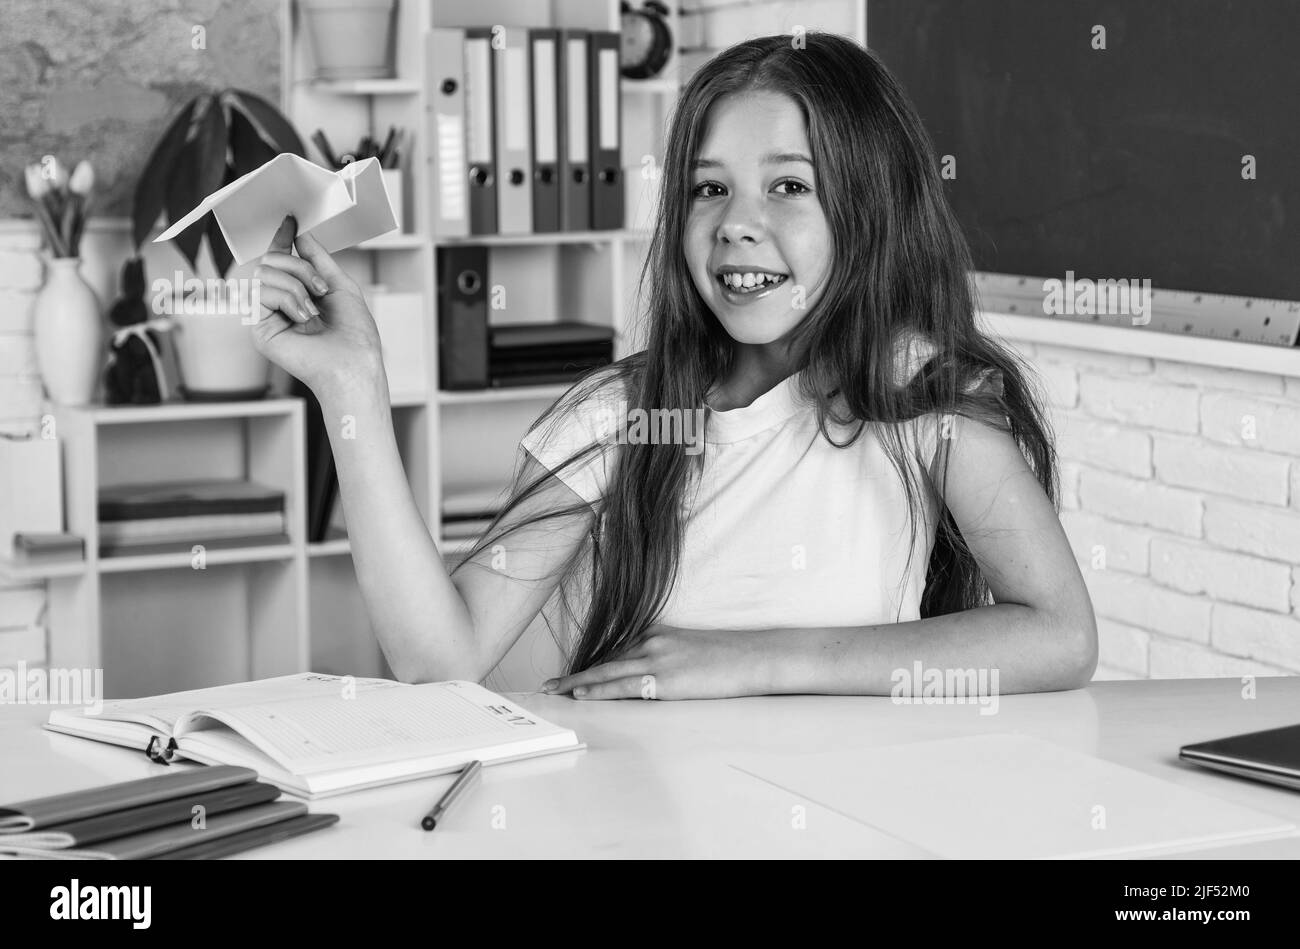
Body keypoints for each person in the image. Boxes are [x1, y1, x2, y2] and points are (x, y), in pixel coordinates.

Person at [249, 33, 1097, 701]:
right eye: (708, 188)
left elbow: (1059, 634)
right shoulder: (619, 415)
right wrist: (350, 385)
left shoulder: (924, 396)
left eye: (790, 187)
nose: (735, 223)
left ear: (870, 208)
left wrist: (752, 662)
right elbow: (439, 660)